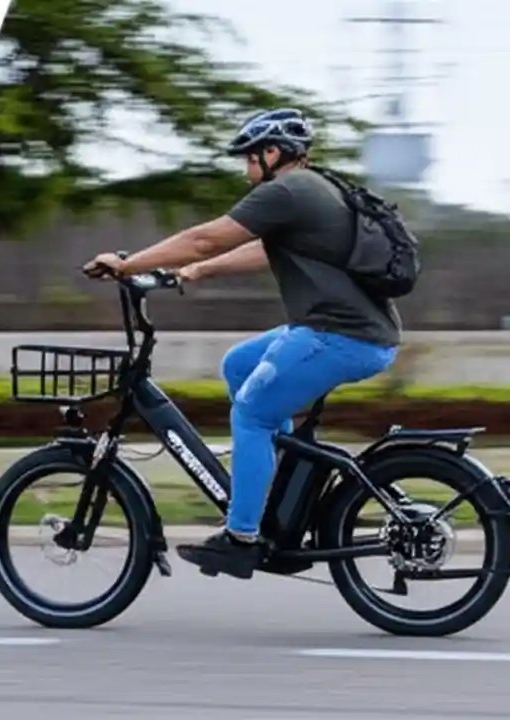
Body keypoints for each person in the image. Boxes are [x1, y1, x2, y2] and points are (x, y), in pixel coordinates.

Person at [82, 108, 401, 579]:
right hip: (344, 330)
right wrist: (197, 271)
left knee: (250, 411)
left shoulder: (286, 191)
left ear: (273, 154)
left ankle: (242, 538)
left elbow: (204, 238)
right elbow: (255, 250)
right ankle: (279, 499)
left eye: (249, 159)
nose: (246, 170)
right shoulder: (316, 188)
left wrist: (127, 265)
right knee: (239, 366)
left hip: (339, 335)